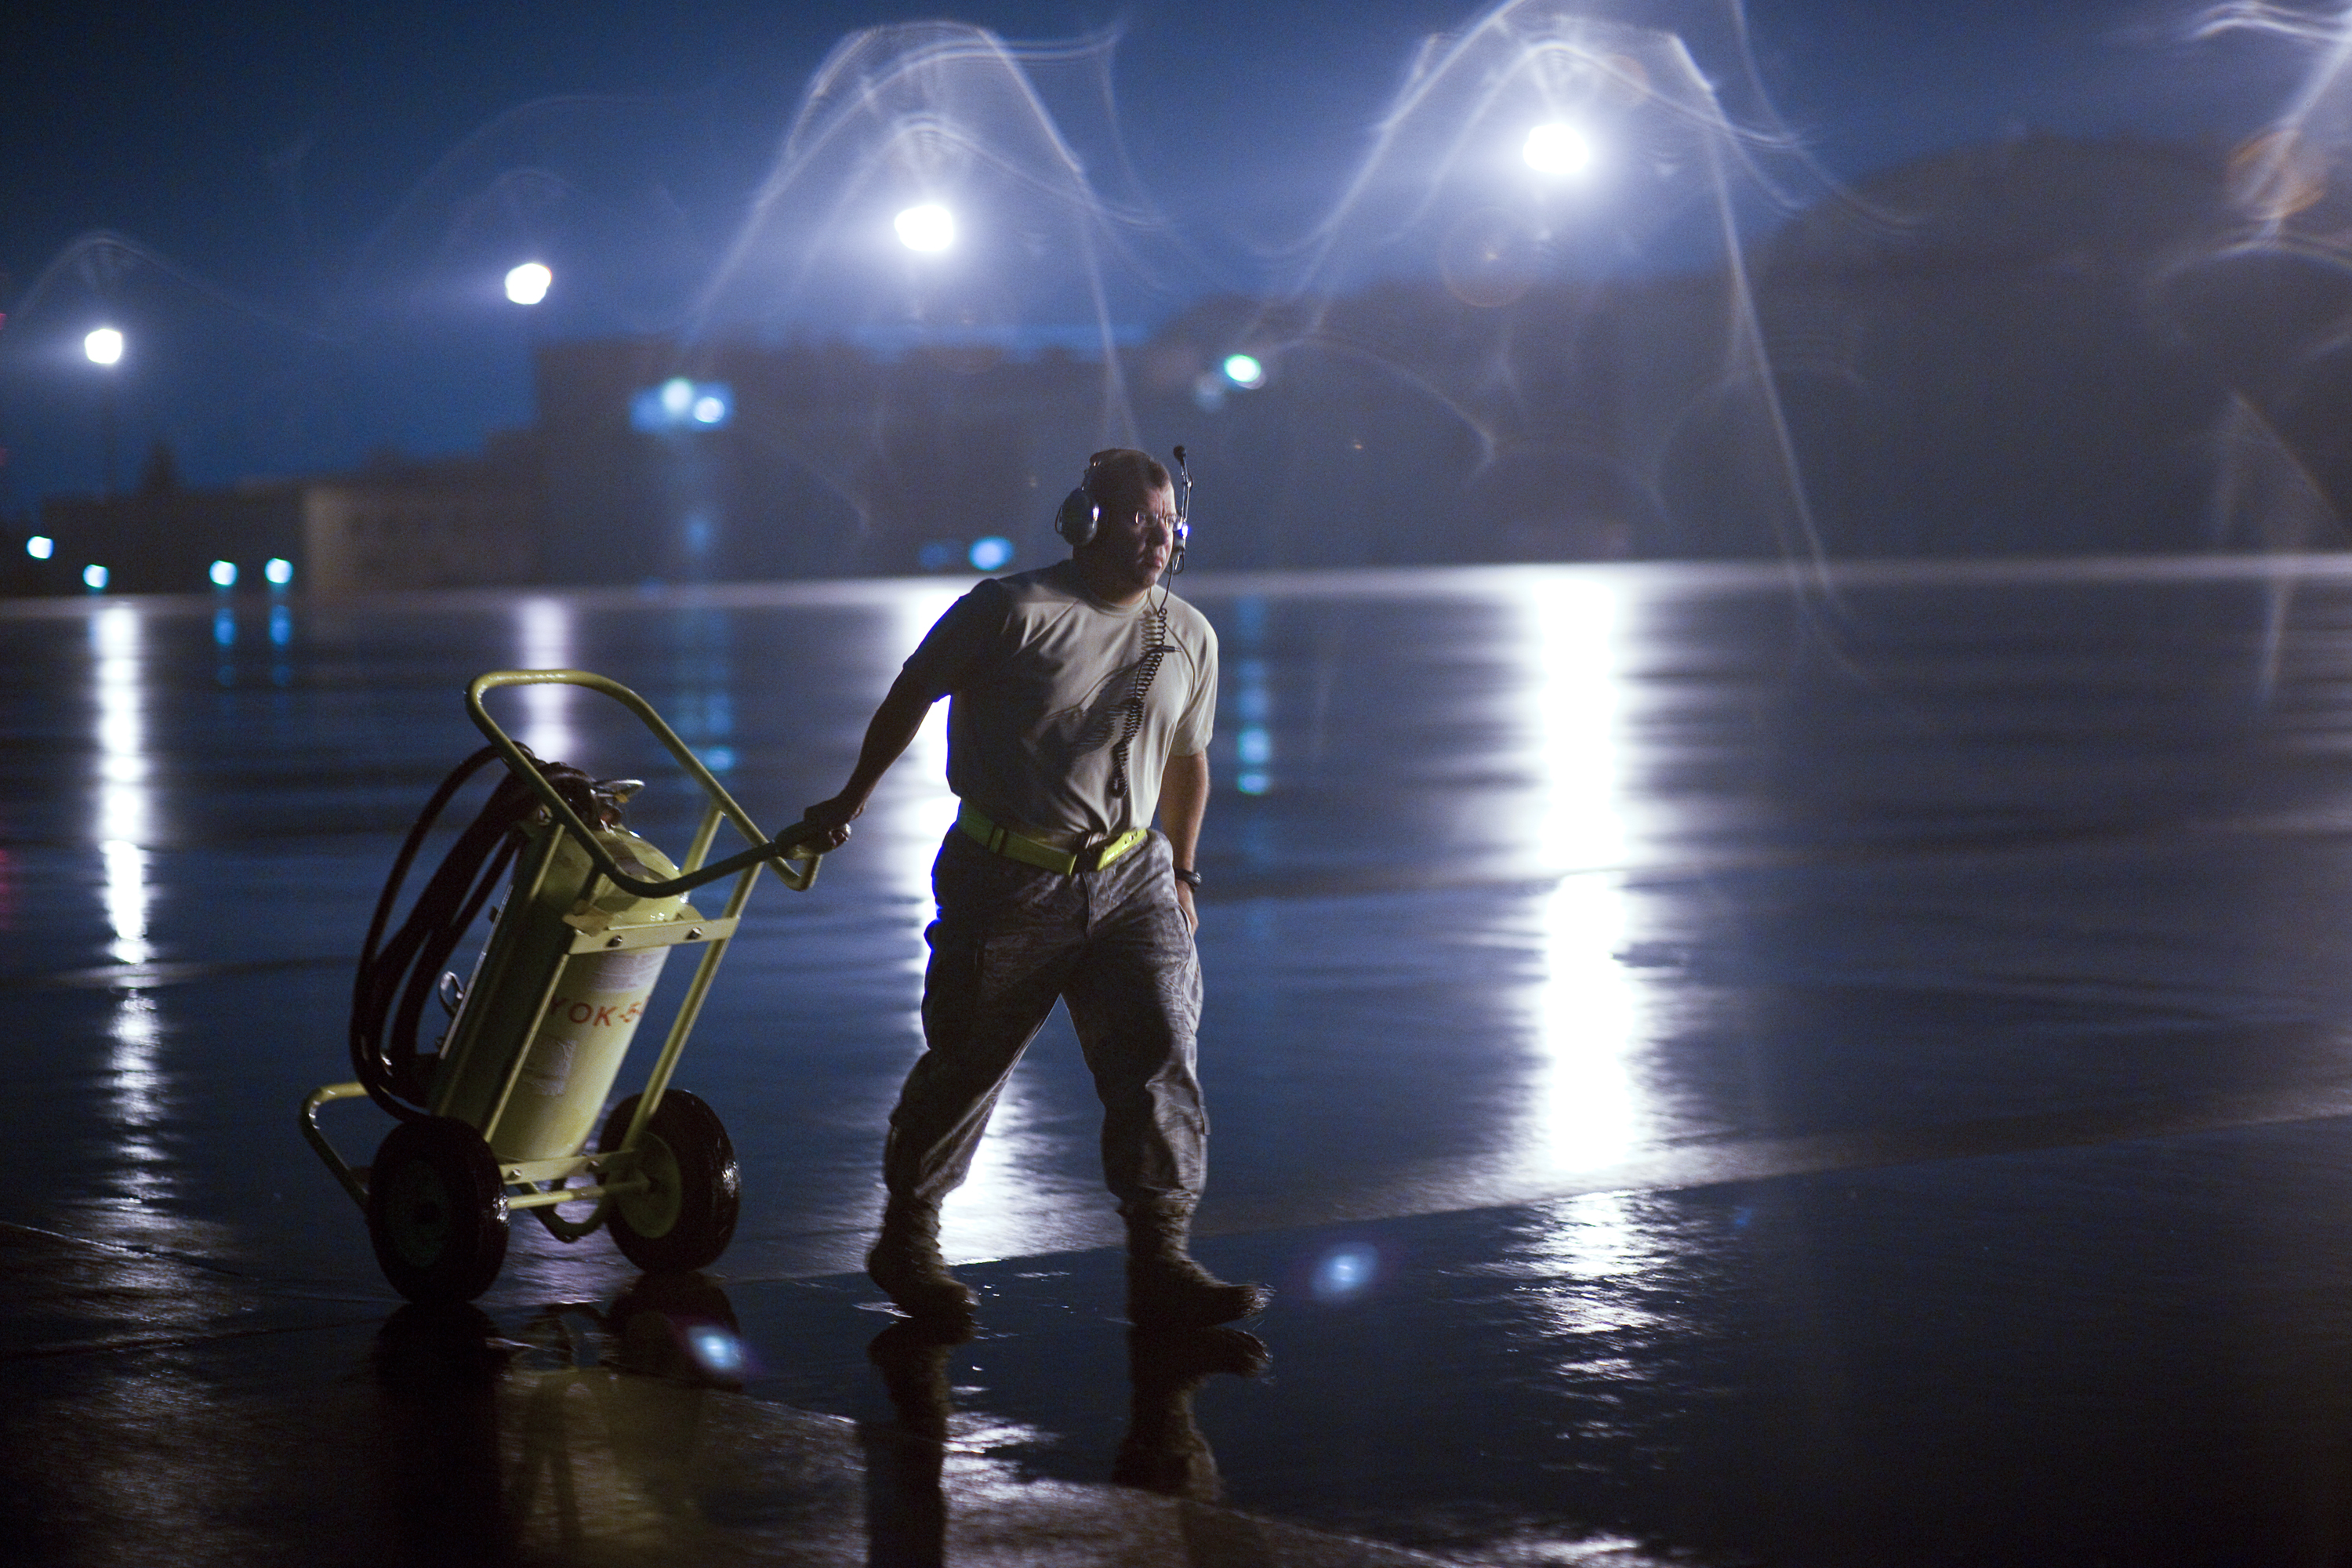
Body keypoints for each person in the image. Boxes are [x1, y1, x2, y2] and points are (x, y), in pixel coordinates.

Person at [800, 448, 1269, 1330]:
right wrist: (848, 800)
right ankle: (907, 1237)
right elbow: (913, 691)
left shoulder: (1191, 633)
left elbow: (1187, 756)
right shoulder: (1011, 611)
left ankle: (1160, 1258)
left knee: (1161, 1058)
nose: (1156, 541)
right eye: (1136, 519)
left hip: (1133, 874)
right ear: (1082, 518)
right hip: (1007, 876)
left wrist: (1183, 866)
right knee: (969, 1065)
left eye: (1169, 525)